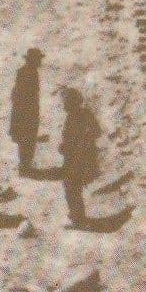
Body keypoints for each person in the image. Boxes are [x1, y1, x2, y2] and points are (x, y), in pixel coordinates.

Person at [59, 87, 101, 226]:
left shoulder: (77, 116)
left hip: (78, 158)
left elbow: (96, 131)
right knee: (72, 187)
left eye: (66, 102)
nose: (64, 105)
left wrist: (83, 141)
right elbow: (96, 131)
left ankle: (78, 219)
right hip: (76, 157)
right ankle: (76, 215)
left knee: (72, 187)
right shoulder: (80, 114)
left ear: (72, 103)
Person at [9, 48, 43, 172]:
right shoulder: (28, 73)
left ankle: (25, 164)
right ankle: (25, 165)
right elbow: (21, 93)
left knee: (27, 136)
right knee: (27, 137)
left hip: (27, 109)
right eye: (38, 59)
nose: (40, 62)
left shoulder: (28, 72)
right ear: (32, 60)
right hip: (26, 110)